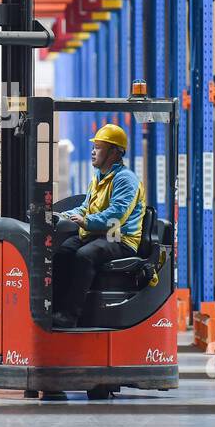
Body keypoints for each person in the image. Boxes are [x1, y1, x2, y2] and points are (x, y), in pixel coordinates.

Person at [50, 123, 145, 326]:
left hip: (120, 238)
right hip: (100, 234)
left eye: (99, 147)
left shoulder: (125, 180)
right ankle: (53, 308)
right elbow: (86, 207)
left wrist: (86, 222)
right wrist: (62, 216)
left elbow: (116, 215)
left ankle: (70, 316)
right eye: (94, 147)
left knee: (85, 255)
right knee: (63, 251)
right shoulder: (98, 178)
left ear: (114, 153)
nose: (93, 151)